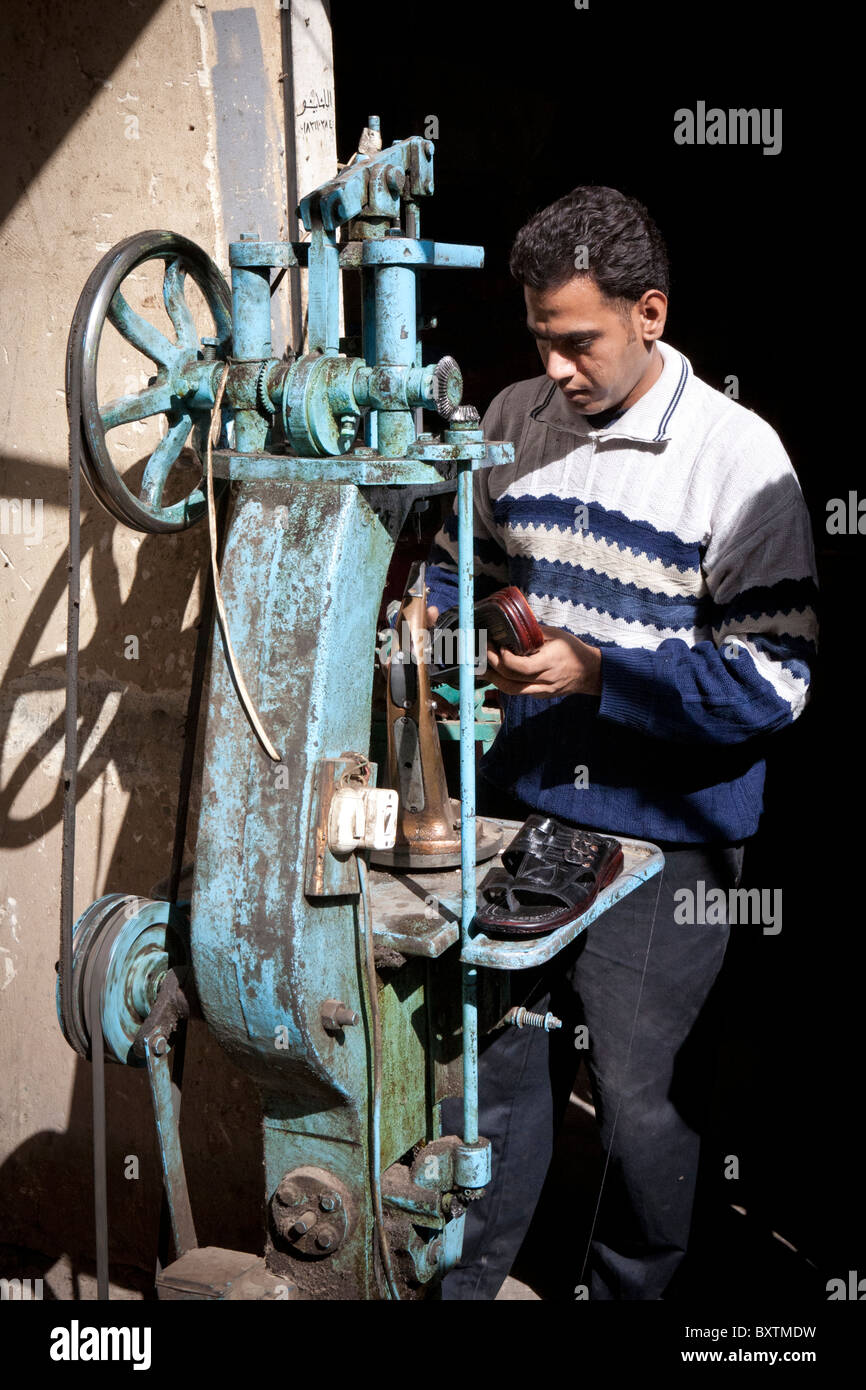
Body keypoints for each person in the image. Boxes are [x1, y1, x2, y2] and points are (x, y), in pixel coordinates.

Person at [423, 185, 818, 1300]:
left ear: (648, 313)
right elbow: (468, 561)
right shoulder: (509, 417)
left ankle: (627, 1294)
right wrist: (454, 617)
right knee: (497, 1074)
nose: (552, 368)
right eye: (538, 341)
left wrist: (601, 674)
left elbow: (772, 680)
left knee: (643, 1101)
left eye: (576, 341)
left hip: (663, 837)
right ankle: (464, 1282)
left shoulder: (740, 462)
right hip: (525, 800)